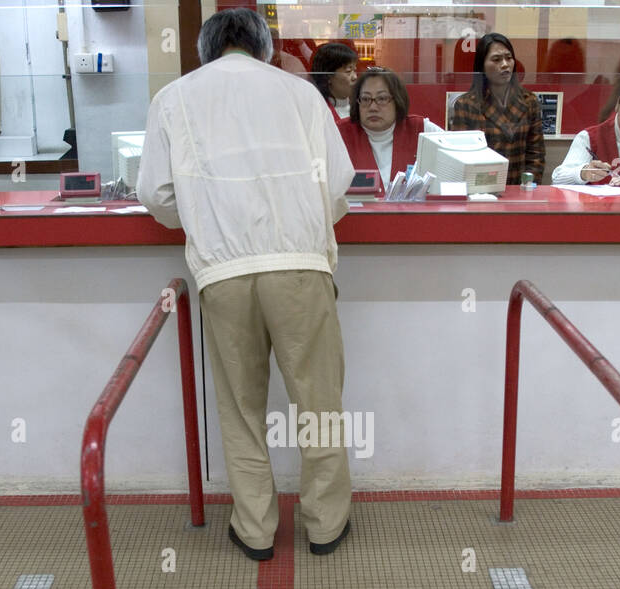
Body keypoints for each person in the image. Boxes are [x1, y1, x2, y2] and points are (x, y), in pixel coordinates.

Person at [136, 8, 356, 560]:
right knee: (319, 401)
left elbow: (157, 197)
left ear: (207, 50)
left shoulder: (175, 97)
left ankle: (255, 528)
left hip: (224, 272)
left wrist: (206, 215)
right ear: (264, 48)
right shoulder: (302, 94)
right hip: (300, 265)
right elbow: (337, 184)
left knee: (240, 407)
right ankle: (325, 524)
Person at [448, 32, 545, 185]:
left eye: (509, 57)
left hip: (519, 190)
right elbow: (460, 158)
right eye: (496, 59)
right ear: (482, 66)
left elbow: (536, 155)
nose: (505, 64)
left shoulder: (529, 101)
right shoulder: (467, 104)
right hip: (481, 190)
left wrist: (528, 186)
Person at [336, 67, 441, 192]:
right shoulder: (338, 133)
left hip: (413, 211)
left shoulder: (422, 129)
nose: (373, 107)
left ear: (397, 100)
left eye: (382, 99)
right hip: (356, 211)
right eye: (365, 99)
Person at [311, 42, 359, 121]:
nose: (355, 77)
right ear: (328, 76)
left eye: (355, 70)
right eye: (348, 71)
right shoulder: (318, 113)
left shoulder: (361, 108)